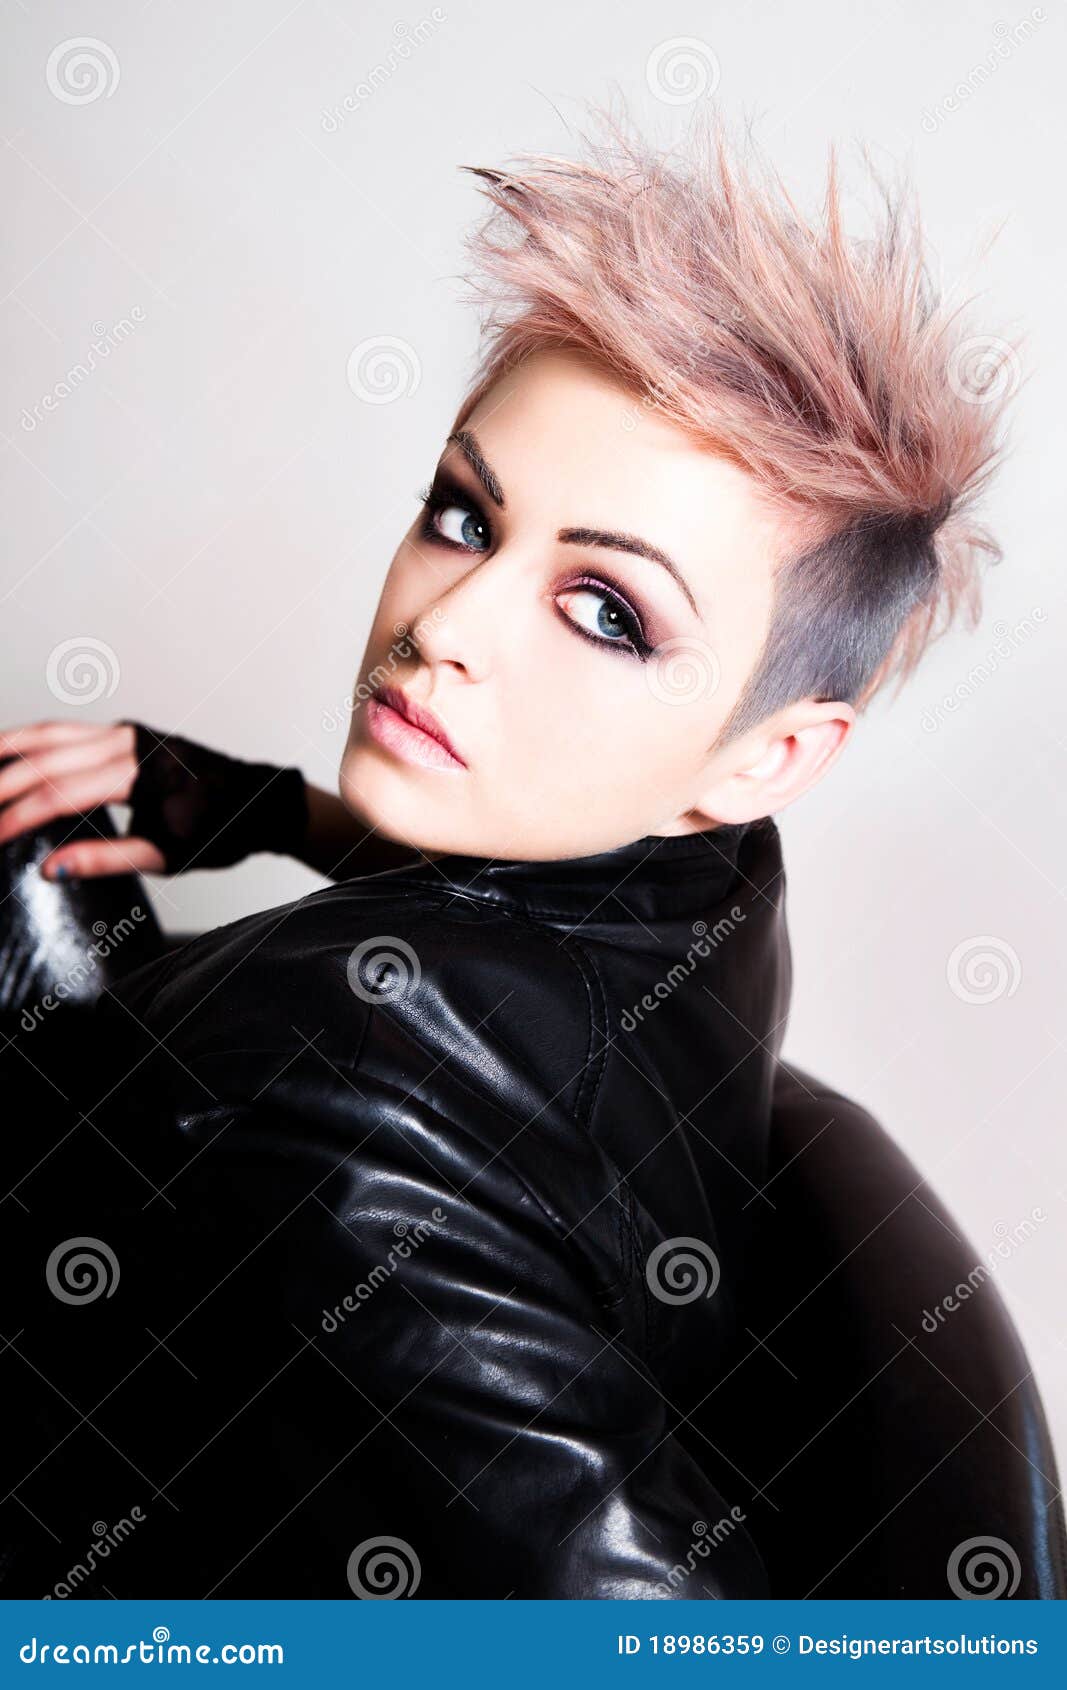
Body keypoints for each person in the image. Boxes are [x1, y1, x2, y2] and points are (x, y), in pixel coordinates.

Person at [0, 104, 1016, 1598]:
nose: (441, 626)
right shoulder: (709, 881)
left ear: (768, 753)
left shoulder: (335, 1081)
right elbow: (520, 949)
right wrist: (264, 807)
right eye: (466, 517)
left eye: (609, 610)